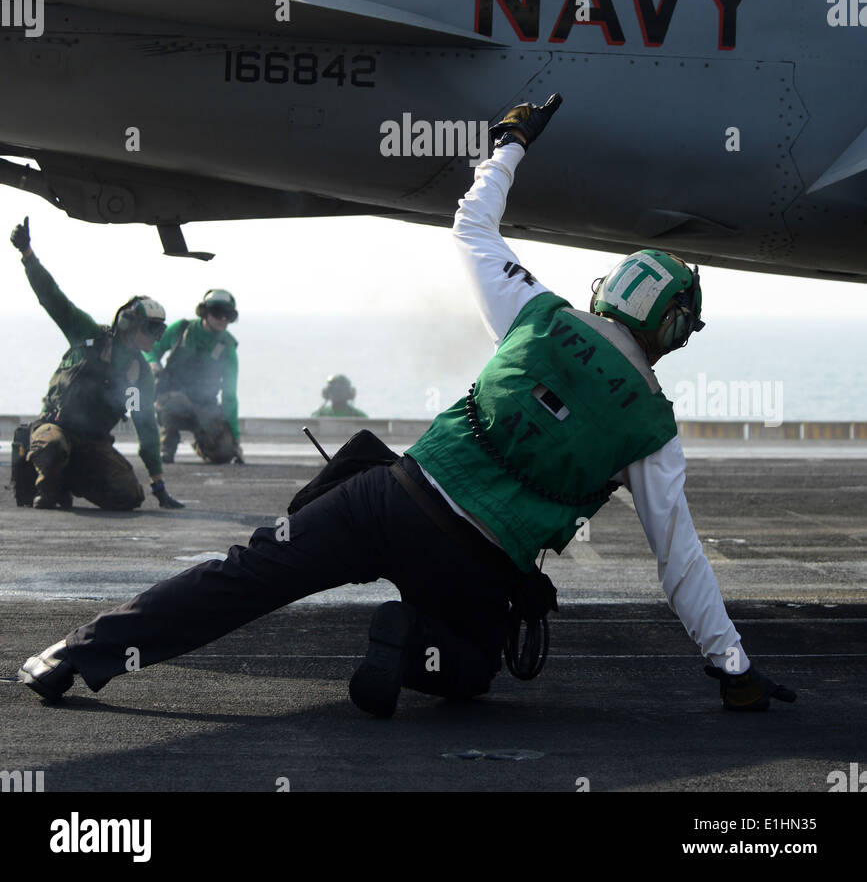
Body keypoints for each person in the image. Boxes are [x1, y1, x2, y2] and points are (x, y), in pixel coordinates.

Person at [17, 98, 795, 718]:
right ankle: (408, 637)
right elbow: (680, 563)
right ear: (673, 333)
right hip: (471, 563)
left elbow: (471, 225)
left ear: (607, 293)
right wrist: (732, 668)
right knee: (468, 674)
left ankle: (75, 655)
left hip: (388, 499)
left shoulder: (535, 312)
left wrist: (511, 143)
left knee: (240, 577)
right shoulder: (651, 430)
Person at [9, 218, 183, 512]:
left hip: (92, 443)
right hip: (56, 428)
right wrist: (27, 254)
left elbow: (146, 426)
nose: (157, 337)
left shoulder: (137, 374)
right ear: (129, 324)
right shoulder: (87, 336)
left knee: (128, 496)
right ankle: (49, 486)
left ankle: (70, 477)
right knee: (52, 447)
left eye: (159, 331)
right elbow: (53, 298)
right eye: (151, 329)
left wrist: (159, 486)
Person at [147, 290, 242, 465]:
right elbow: (152, 350)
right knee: (174, 402)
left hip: (205, 406)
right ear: (205, 312)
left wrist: (234, 439)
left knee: (224, 455)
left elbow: (229, 395)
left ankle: (202, 441)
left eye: (228, 315)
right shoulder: (181, 330)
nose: (223, 319)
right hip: (173, 399)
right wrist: (154, 365)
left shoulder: (227, 347)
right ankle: (167, 444)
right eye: (217, 312)